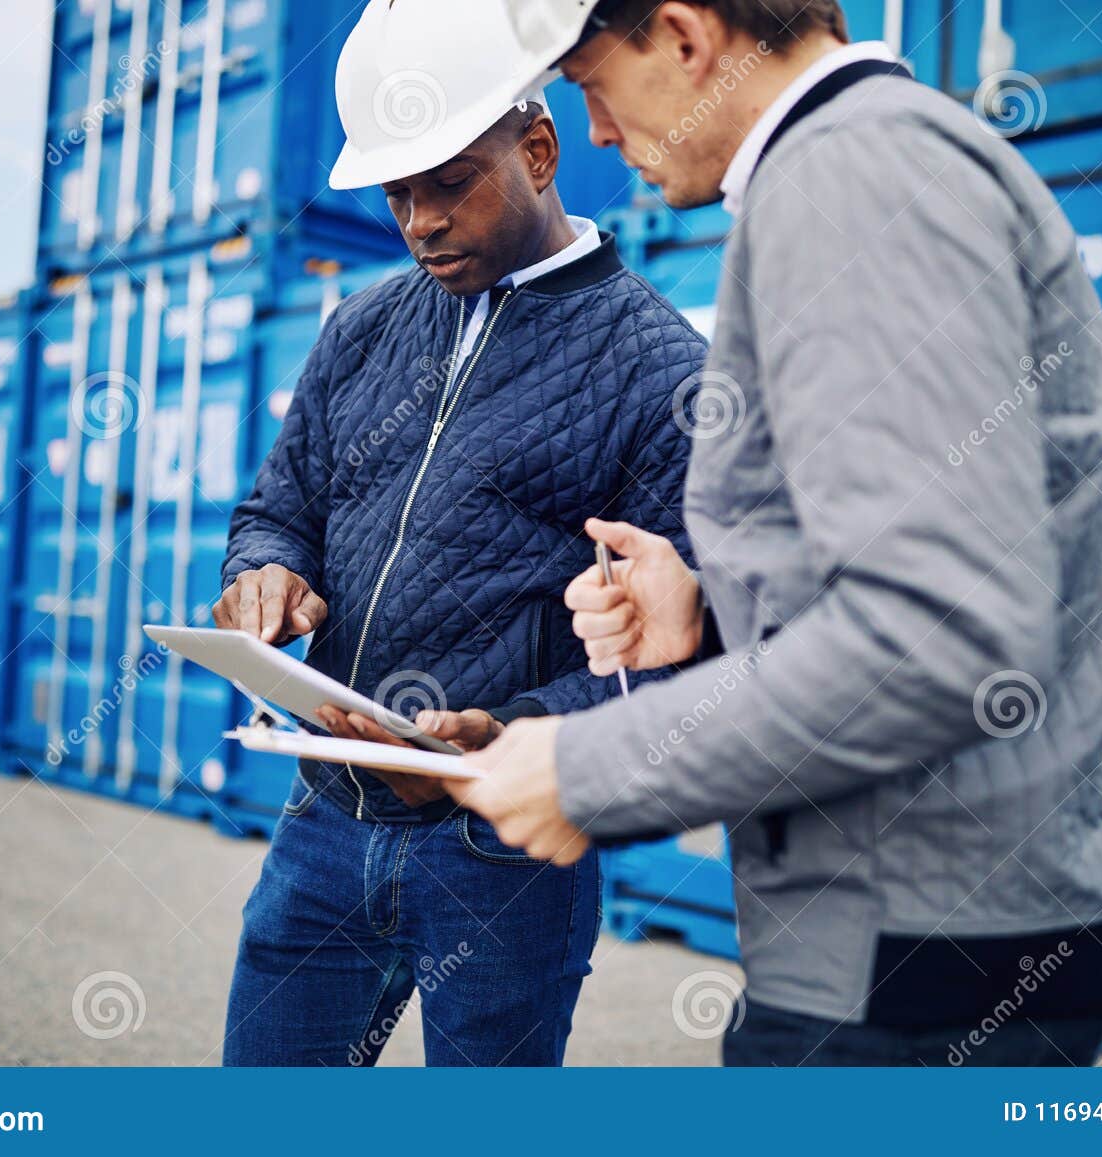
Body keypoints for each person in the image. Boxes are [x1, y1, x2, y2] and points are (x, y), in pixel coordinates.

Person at [448, 0, 1102, 1067]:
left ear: (685, 39)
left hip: (916, 958)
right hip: (957, 921)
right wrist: (705, 615)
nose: (593, 130)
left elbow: (939, 634)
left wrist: (587, 770)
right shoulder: (885, 154)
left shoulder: (848, 181)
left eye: (591, 80)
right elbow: (947, 560)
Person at [211, 0, 705, 1067]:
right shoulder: (360, 328)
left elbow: (673, 661)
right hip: (324, 825)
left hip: (502, 851)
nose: (420, 221)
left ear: (537, 149)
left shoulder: (660, 370)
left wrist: (512, 732)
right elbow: (276, 507)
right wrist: (268, 571)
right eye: (397, 194)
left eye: (448, 182)